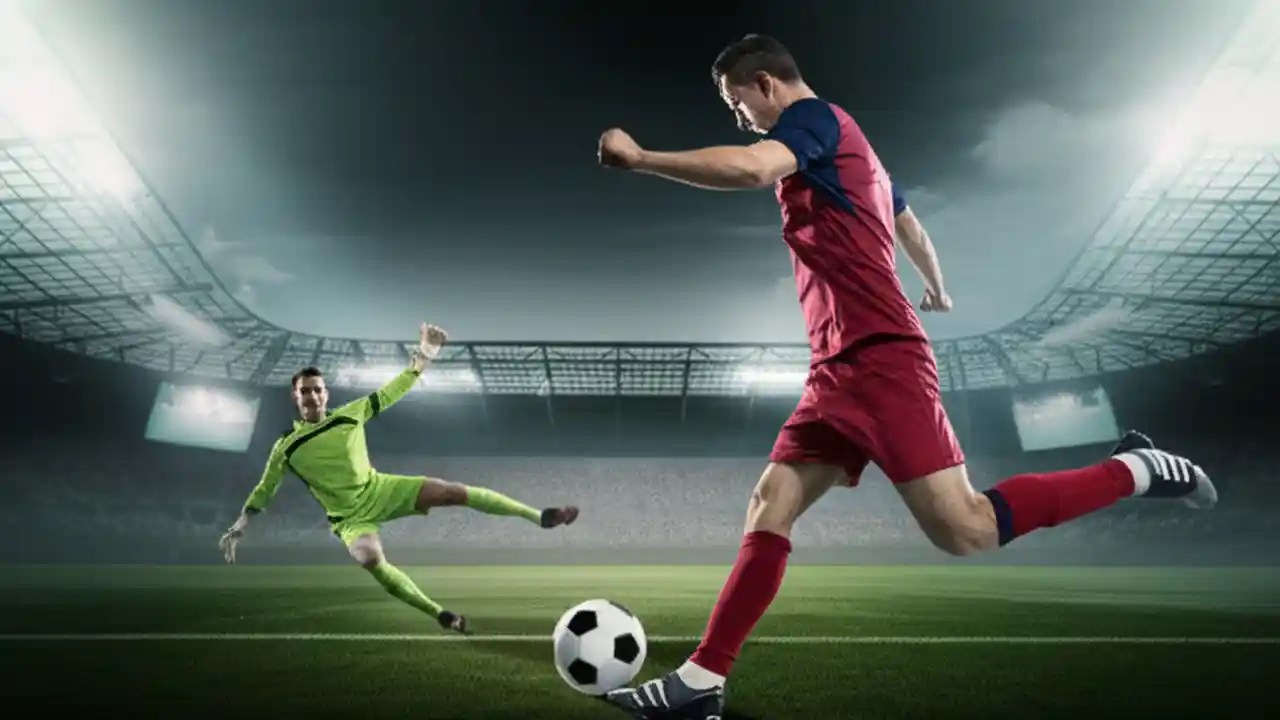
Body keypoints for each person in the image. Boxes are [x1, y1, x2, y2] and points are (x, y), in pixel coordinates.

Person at [595, 34, 1217, 718]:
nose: (736, 113)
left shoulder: (813, 123)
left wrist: (642, 158)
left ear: (766, 84)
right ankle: (700, 683)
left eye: (734, 98)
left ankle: (1139, 469)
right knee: (771, 502)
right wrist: (937, 284)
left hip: (881, 358)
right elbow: (908, 222)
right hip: (837, 367)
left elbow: (749, 170)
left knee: (966, 529)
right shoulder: (852, 148)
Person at [218, 323, 579, 634]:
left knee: (453, 491)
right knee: (369, 558)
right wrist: (240, 524)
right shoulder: (286, 447)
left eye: (317, 389)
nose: (312, 395)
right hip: (349, 518)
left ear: (325, 394)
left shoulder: (350, 415)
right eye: (304, 390)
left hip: (383, 489)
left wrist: (425, 354)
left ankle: (541, 516)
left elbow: (394, 389)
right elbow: (265, 488)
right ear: (295, 397)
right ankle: (442, 615)